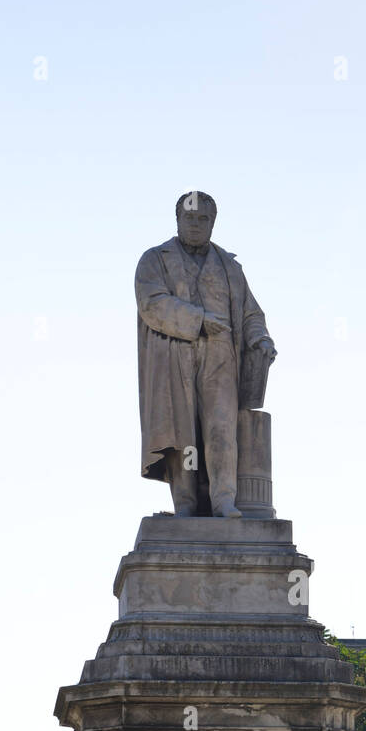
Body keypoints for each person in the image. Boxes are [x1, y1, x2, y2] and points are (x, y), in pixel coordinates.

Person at [135, 191, 276, 518]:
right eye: (190, 218)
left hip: (220, 358)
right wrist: (198, 320)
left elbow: (250, 313)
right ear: (178, 220)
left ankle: (223, 499)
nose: (196, 225)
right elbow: (151, 303)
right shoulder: (155, 260)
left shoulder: (229, 267)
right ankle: (185, 504)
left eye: (203, 219)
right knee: (182, 435)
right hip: (175, 355)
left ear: (213, 223)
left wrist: (260, 339)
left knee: (221, 429)